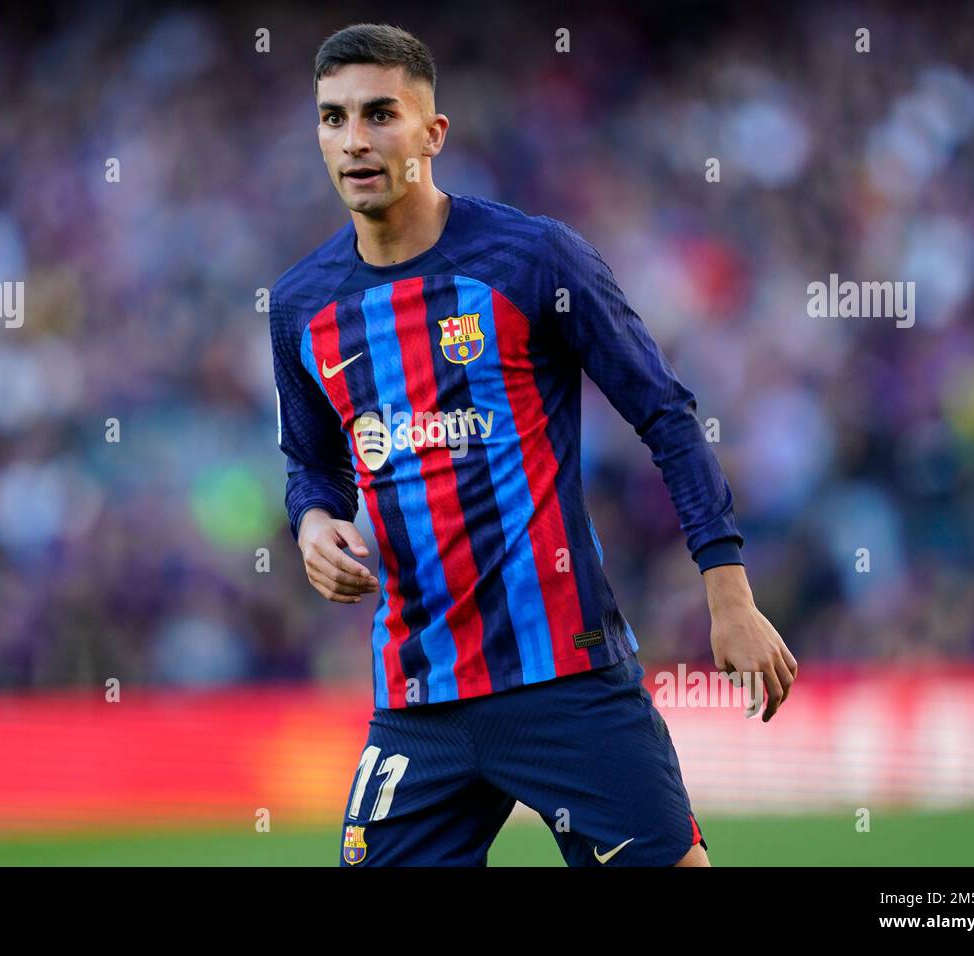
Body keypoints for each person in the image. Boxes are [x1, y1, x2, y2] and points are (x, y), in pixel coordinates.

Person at [269, 22, 797, 866]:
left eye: (380, 114)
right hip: (418, 700)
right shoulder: (302, 305)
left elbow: (664, 413)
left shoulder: (532, 259)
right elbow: (310, 462)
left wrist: (728, 593)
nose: (355, 140)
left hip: (567, 681)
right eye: (334, 118)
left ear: (432, 134)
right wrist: (312, 523)